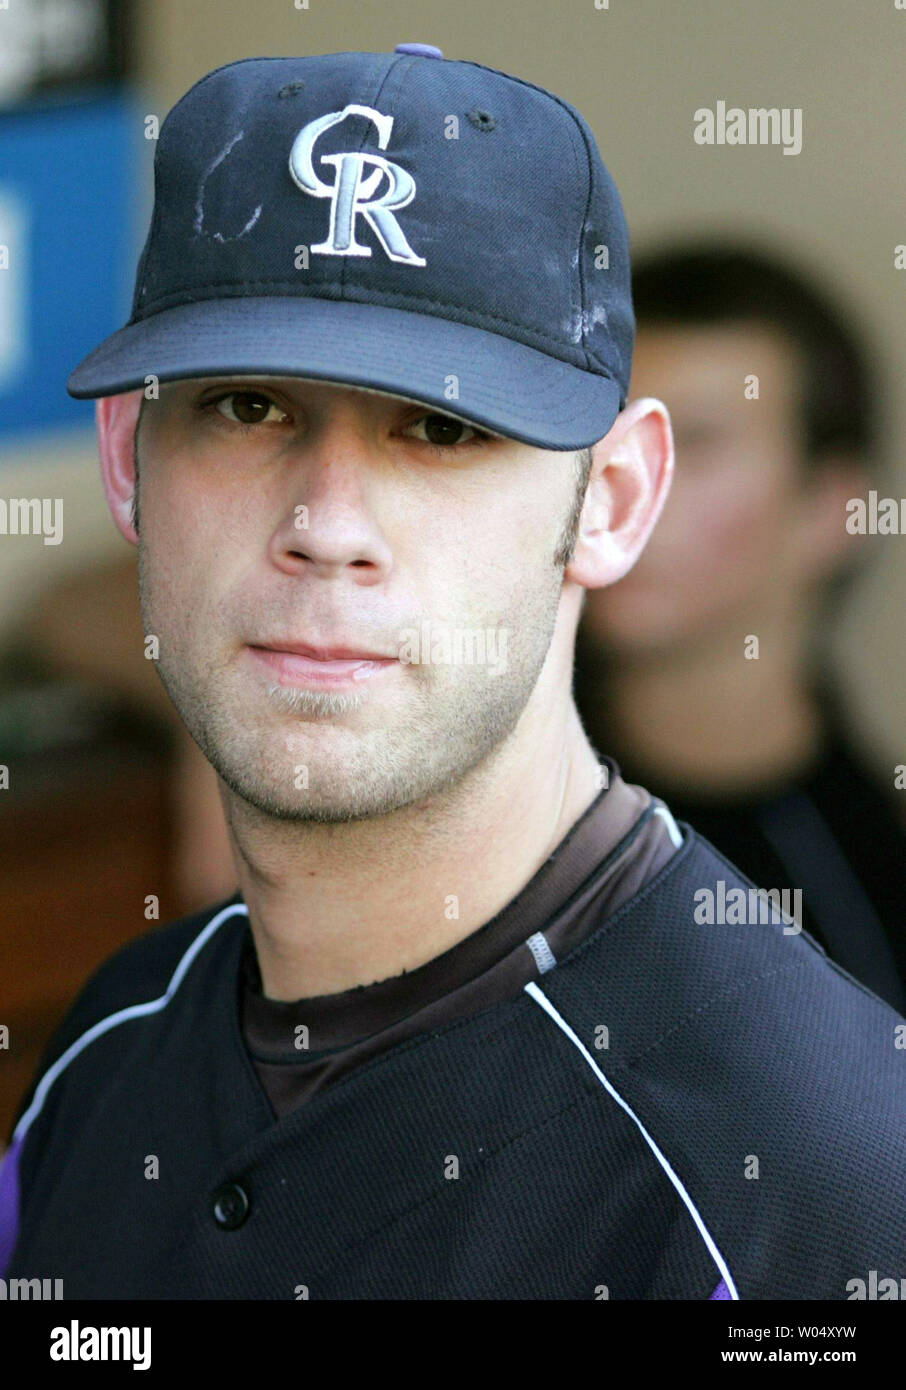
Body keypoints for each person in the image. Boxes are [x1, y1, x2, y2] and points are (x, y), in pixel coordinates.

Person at [1, 49, 904, 1301]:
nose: (327, 521)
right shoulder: (113, 1045)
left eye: (442, 427)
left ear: (615, 501)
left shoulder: (808, 1179)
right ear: (126, 461)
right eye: (249, 406)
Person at [575, 243, 906, 1015]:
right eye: (600, 432)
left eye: (692, 444)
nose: (613, 484)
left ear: (830, 510)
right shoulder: (454, 835)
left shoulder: (877, 876)